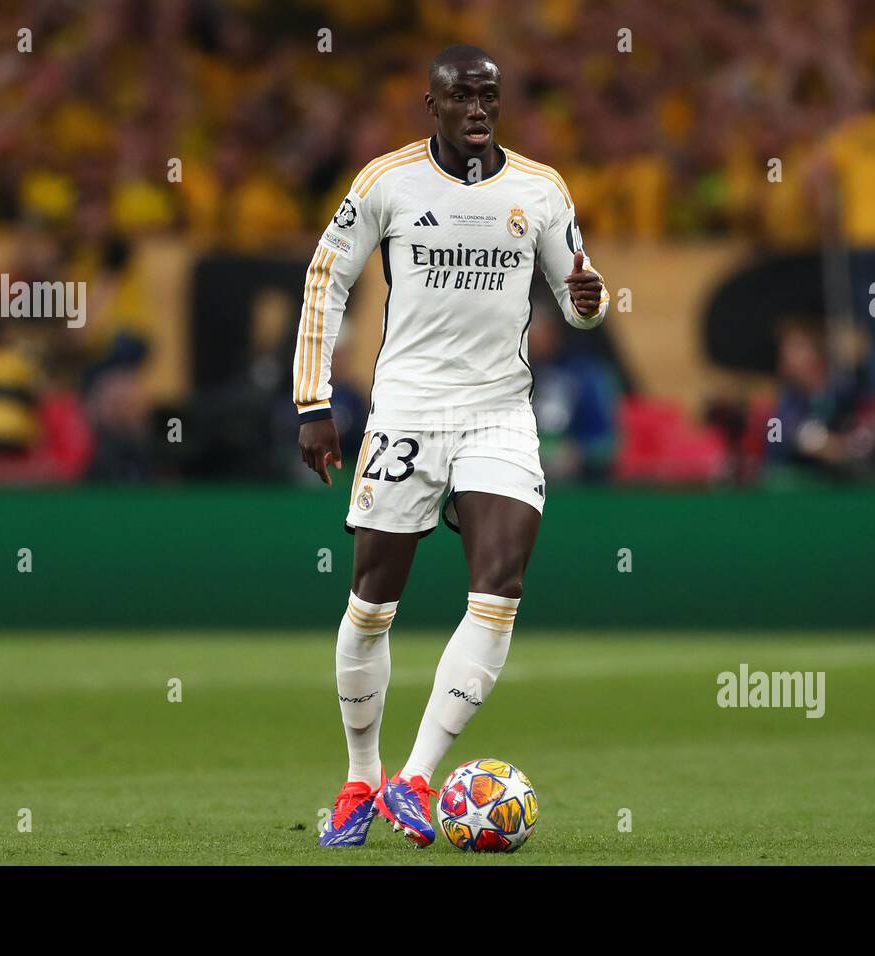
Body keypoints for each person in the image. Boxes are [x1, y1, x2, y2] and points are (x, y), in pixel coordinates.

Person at [292, 45, 608, 847]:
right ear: (429, 106)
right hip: (406, 410)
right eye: (461, 96)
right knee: (372, 603)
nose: (476, 109)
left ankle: (416, 777)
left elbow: (578, 296)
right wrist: (314, 402)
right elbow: (326, 277)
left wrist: (588, 302)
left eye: (488, 97)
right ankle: (362, 773)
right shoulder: (387, 182)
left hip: (500, 411)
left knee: (499, 586)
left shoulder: (539, 190)